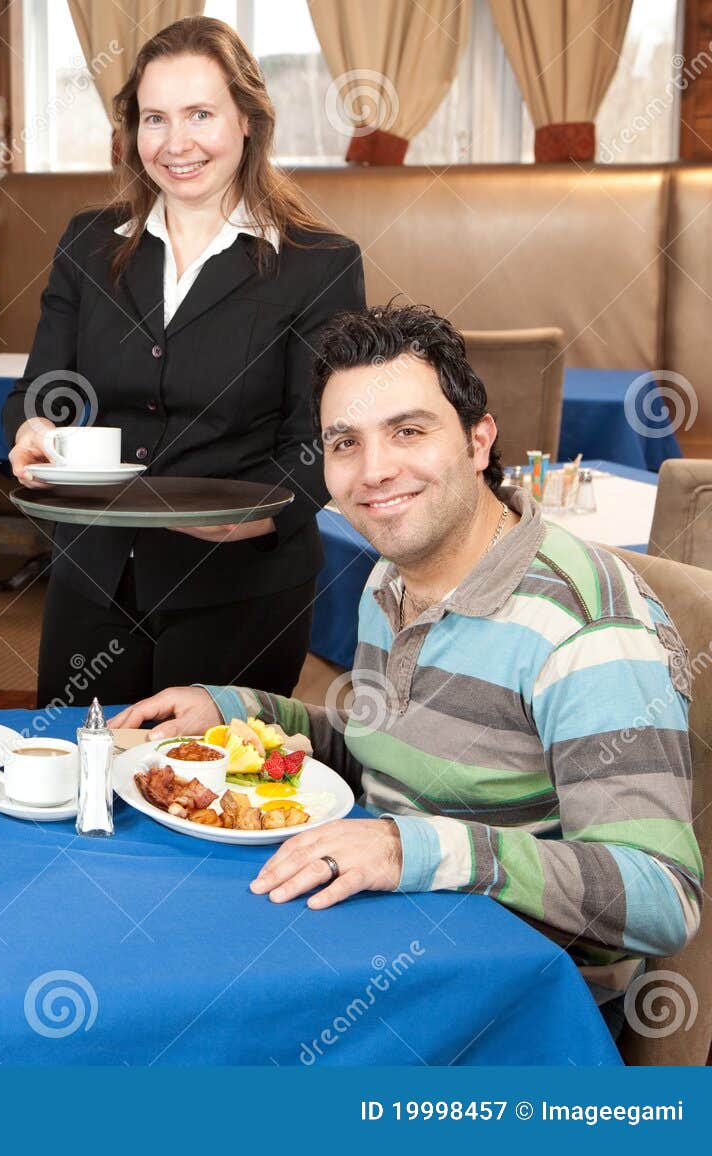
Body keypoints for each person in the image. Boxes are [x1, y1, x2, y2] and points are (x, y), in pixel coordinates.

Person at [111, 306, 702, 1001]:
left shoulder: (585, 630)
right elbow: (384, 749)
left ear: (479, 442)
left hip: (508, 992)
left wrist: (411, 849)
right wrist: (234, 713)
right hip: (380, 924)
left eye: (408, 432)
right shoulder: (391, 574)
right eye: (345, 443)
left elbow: (661, 898)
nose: (375, 471)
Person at [4, 15, 365, 709]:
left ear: (249, 121)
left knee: (218, 799)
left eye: (201, 114)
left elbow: (326, 440)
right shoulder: (87, 244)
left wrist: (253, 518)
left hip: (241, 587)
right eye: (155, 119)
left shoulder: (319, 263)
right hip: (94, 580)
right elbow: (40, 392)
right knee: (82, 786)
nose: (176, 144)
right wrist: (32, 430)